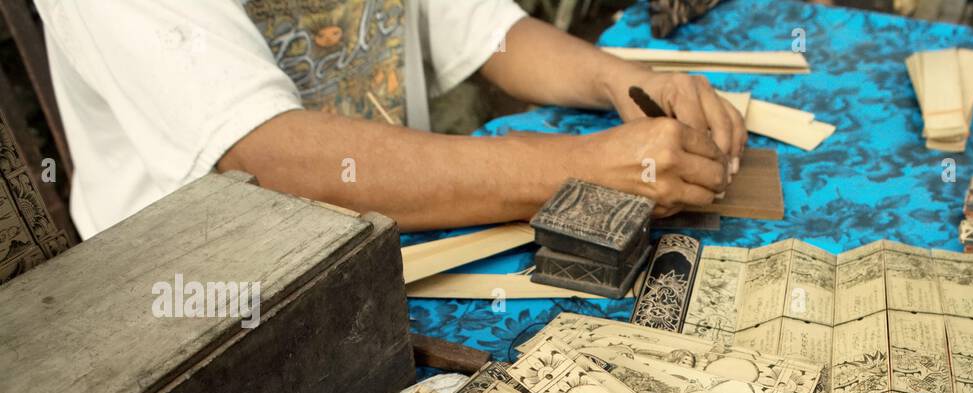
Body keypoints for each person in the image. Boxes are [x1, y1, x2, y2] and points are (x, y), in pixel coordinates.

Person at [36, 0, 747, 237]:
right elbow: (266, 152)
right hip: (205, 302)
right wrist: (584, 169)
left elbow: (475, 25)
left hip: (393, 235)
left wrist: (621, 78)